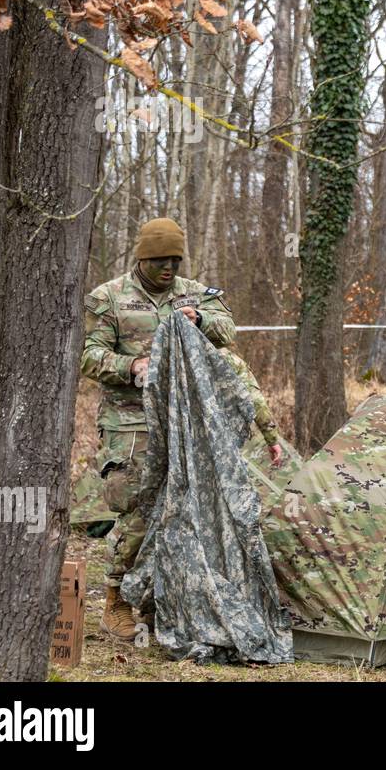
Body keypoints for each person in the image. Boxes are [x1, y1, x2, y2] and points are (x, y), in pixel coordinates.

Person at [80, 217, 256, 641]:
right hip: (133, 421)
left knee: (184, 509)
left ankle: (161, 600)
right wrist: (130, 365)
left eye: (174, 261)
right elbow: (88, 356)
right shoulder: (109, 298)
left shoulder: (192, 293)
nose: (167, 269)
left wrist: (198, 320)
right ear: (142, 258)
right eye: (159, 260)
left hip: (185, 421)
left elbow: (227, 330)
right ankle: (116, 601)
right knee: (138, 511)